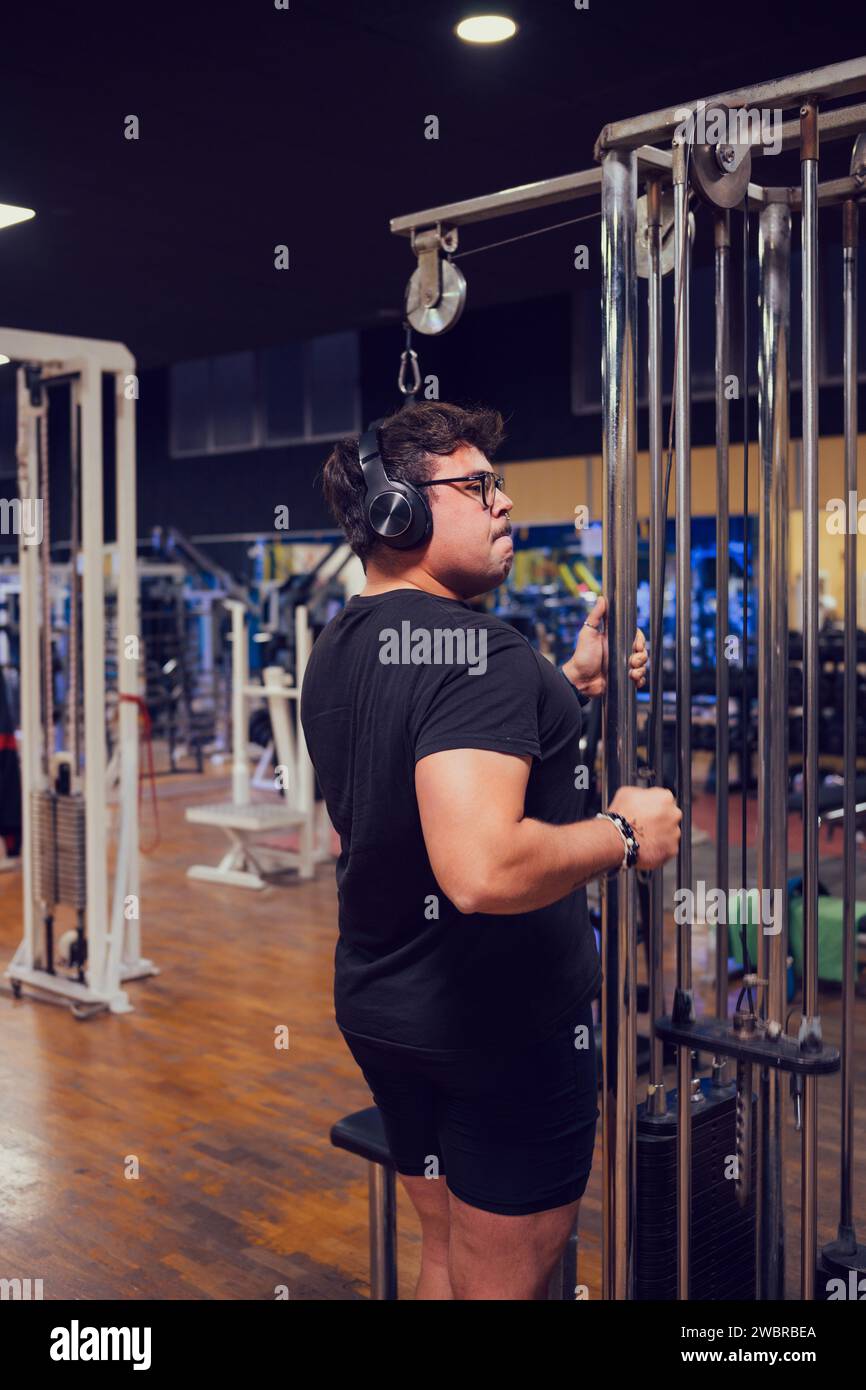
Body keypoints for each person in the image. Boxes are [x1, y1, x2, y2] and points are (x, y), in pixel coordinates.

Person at [300, 400, 681, 1300]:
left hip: (387, 1009)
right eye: (476, 486)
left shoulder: (344, 646)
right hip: (499, 1028)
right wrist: (625, 835)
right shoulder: (484, 654)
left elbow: (417, 781)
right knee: (502, 1283)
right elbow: (479, 870)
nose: (504, 502)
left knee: (446, 1259)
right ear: (403, 512)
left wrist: (569, 688)